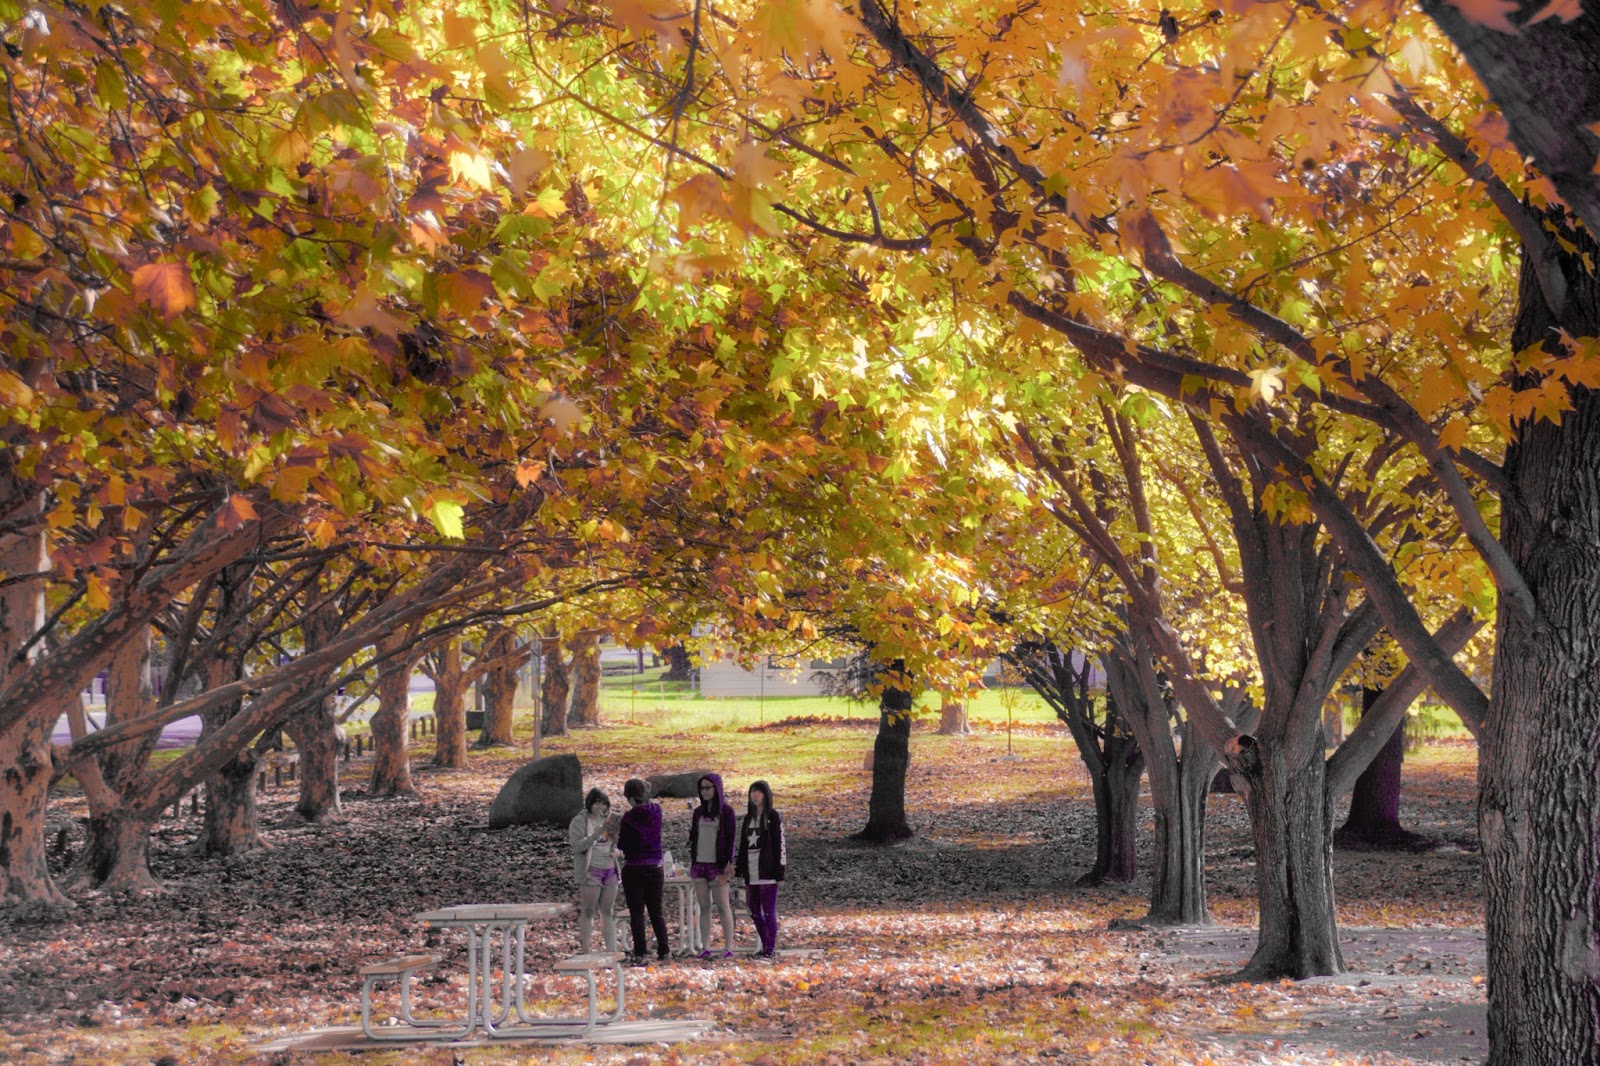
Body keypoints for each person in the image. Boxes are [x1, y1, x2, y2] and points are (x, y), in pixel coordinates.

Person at [616, 777, 670, 962]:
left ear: (630, 798)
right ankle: (664, 949)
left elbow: (623, 844)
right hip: (655, 866)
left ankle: (640, 950)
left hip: (634, 868)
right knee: (657, 911)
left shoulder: (628, 818)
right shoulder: (656, 812)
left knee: (637, 912)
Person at [687, 772, 738, 960]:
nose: (705, 791)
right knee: (704, 906)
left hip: (718, 865)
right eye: (702, 788)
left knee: (723, 905)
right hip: (699, 863)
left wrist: (729, 862)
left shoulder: (727, 812)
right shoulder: (698, 812)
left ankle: (728, 946)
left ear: (717, 789)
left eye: (709, 787)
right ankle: (705, 946)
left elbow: (731, 838)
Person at [736, 779, 786, 959]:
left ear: (765, 795)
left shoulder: (773, 817)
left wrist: (780, 872)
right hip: (751, 871)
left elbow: (780, 845)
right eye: (752, 792)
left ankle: (769, 948)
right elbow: (743, 845)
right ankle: (766, 944)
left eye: (758, 792)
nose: (755, 795)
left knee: (768, 911)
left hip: (767, 873)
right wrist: (740, 868)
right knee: (754, 910)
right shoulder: (748, 818)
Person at [567, 787, 619, 955]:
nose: (600, 807)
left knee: (607, 911)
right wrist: (596, 834)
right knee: (589, 910)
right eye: (597, 803)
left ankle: (611, 951)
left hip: (610, 868)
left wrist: (616, 851)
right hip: (591, 870)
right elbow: (577, 846)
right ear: (590, 803)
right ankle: (587, 950)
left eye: (603, 804)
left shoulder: (608, 820)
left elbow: (613, 843)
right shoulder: (580, 821)